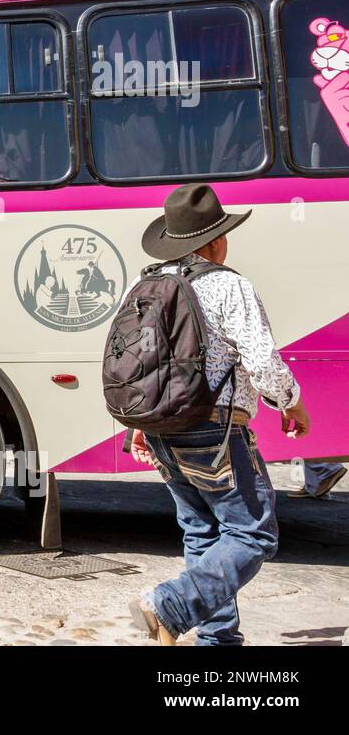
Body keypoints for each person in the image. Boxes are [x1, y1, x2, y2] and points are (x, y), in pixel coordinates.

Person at [127, 183, 311, 646]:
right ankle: (168, 605)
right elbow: (262, 361)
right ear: (214, 241)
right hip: (214, 427)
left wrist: (139, 427)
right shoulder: (229, 286)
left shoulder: (146, 287)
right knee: (253, 535)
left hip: (161, 427)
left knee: (201, 532)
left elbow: (137, 365)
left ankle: (218, 640)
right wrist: (292, 402)